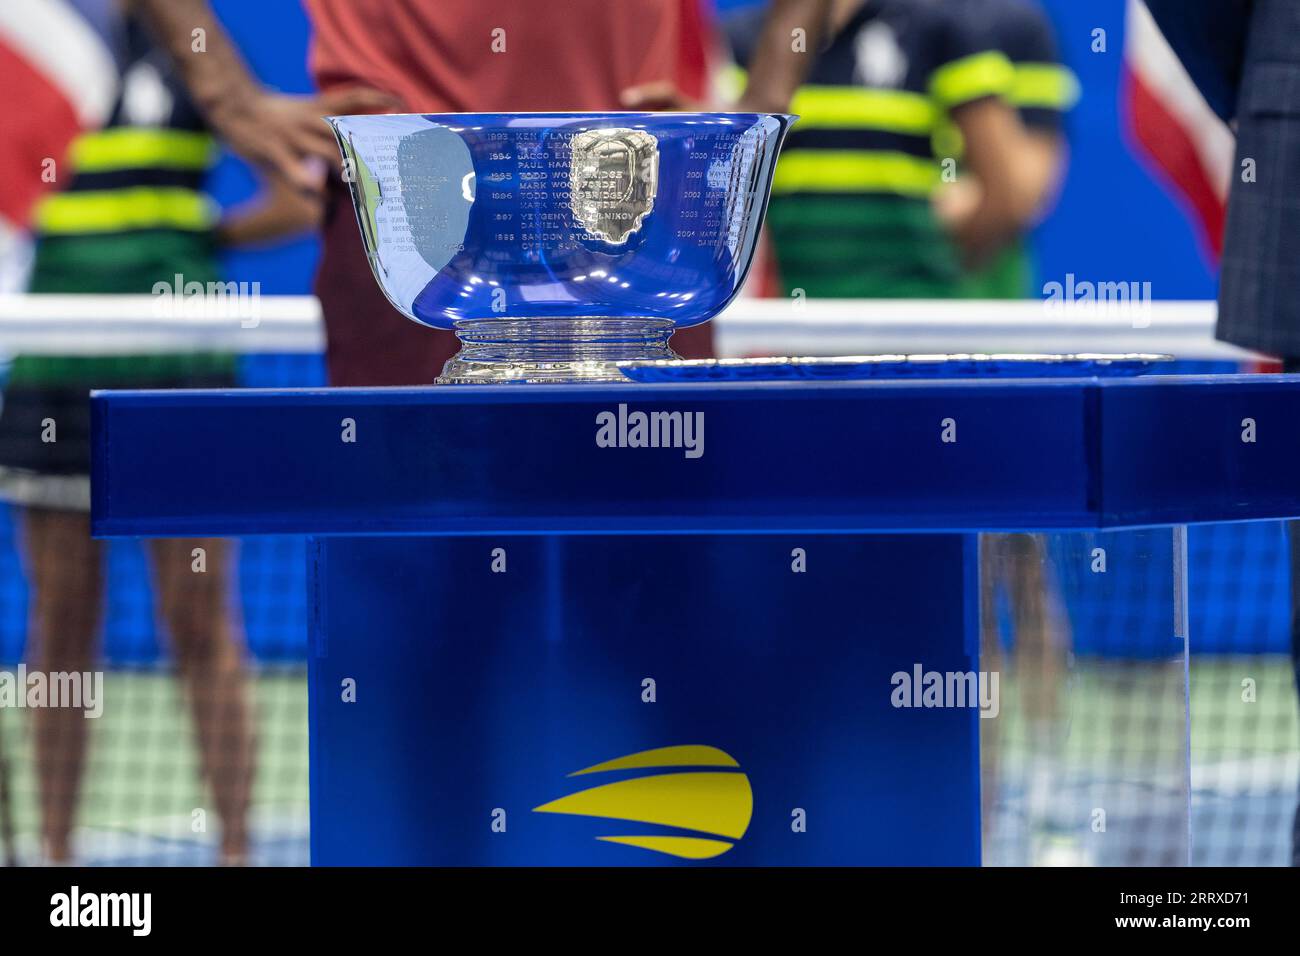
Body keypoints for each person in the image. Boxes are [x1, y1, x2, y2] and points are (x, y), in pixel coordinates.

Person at [0, 5, 318, 865]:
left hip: (180, 371)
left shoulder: (200, 53)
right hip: (51, 366)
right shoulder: (28, 41)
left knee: (200, 616)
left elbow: (300, 188)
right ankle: (55, 862)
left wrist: (199, 239)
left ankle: (237, 854)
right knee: (61, 623)